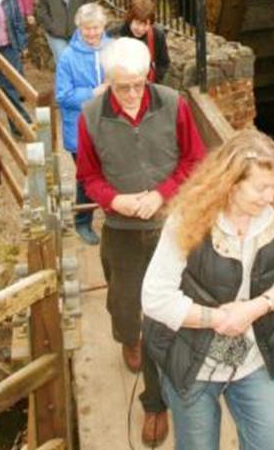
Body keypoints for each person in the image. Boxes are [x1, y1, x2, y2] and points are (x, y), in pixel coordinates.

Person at [77, 37, 209, 448]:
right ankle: (127, 336)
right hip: (122, 228)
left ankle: (155, 402)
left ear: (148, 74)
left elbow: (195, 159)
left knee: (161, 316)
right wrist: (113, 200)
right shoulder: (91, 115)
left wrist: (162, 193)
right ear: (108, 82)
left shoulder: (173, 103)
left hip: (171, 225)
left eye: (138, 84)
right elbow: (88, 175)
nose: (133, 93)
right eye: (123, 87)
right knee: (124, 305)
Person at [140, 128, 274, 450]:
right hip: (192, 359)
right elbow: (155, 298)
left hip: (254, 355)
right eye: (261, 188)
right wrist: (218, 319)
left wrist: (254, 308)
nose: (270, 196)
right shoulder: (189, 219)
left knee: (271, 444)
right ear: (231, 183)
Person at [53, 2, 114, 244]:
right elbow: (63, 95)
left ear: (103, 26)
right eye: (87, 28)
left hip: (110, 124)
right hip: (80, 127)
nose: (92, 33)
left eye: (96, 27)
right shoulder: (68, 57)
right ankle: (83, 221)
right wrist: (93, 92)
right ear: (79, 27)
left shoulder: (113, 48)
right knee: (86, 177)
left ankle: (114, 214)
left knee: (113, 170)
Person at [116, 0, 172, 84]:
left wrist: (155, 78)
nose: (140, 29)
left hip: (148, 82)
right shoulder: (118, 34)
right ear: (130, 19)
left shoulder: (157, 35)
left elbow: (163, 64)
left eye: (145, 25)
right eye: (137, 23)